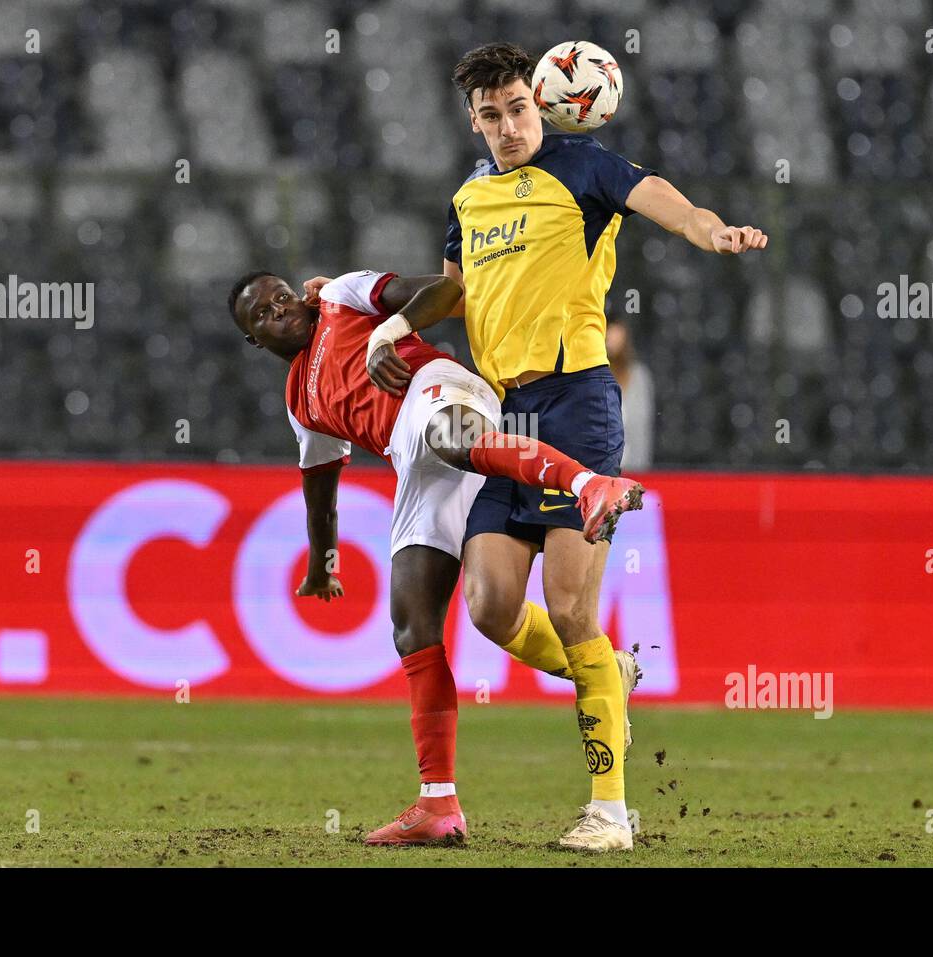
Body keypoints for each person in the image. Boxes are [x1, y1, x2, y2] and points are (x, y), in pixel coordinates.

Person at [310, 42, 768, 851]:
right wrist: (397, 320)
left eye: (518, 108)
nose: (508, 125)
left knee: (568, 607)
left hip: (579, 402)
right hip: (502, 415)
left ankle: (610, 813)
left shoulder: (583, 165)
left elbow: (656, 196)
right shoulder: (468, 200)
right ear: (474, 120)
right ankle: (607, 675)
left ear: (541, 102)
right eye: (491, 115)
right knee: (487, 604)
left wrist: (709, 229)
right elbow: (453, 288)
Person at [228, 267, 644, 847]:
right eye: (261, 315)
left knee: (447, 435)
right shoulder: (301, 403)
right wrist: (323, 562)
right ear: (254, 339)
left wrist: (386, 331)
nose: (278, 310)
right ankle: (438, 805)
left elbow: (447, 290)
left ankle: (587, 485)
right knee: (412, 623)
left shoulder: (343, 298)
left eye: (280, 297)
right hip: (414, 462)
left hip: (440, 390)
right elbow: (319, 493)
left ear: (299, 293)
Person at [606, 320, 654, 471]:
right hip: (600, 466)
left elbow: (642, 425)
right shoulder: (591, 376)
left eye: (616, 333)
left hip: (632, 464)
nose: (611, 339)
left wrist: (641, 467)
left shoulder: (638, 375)